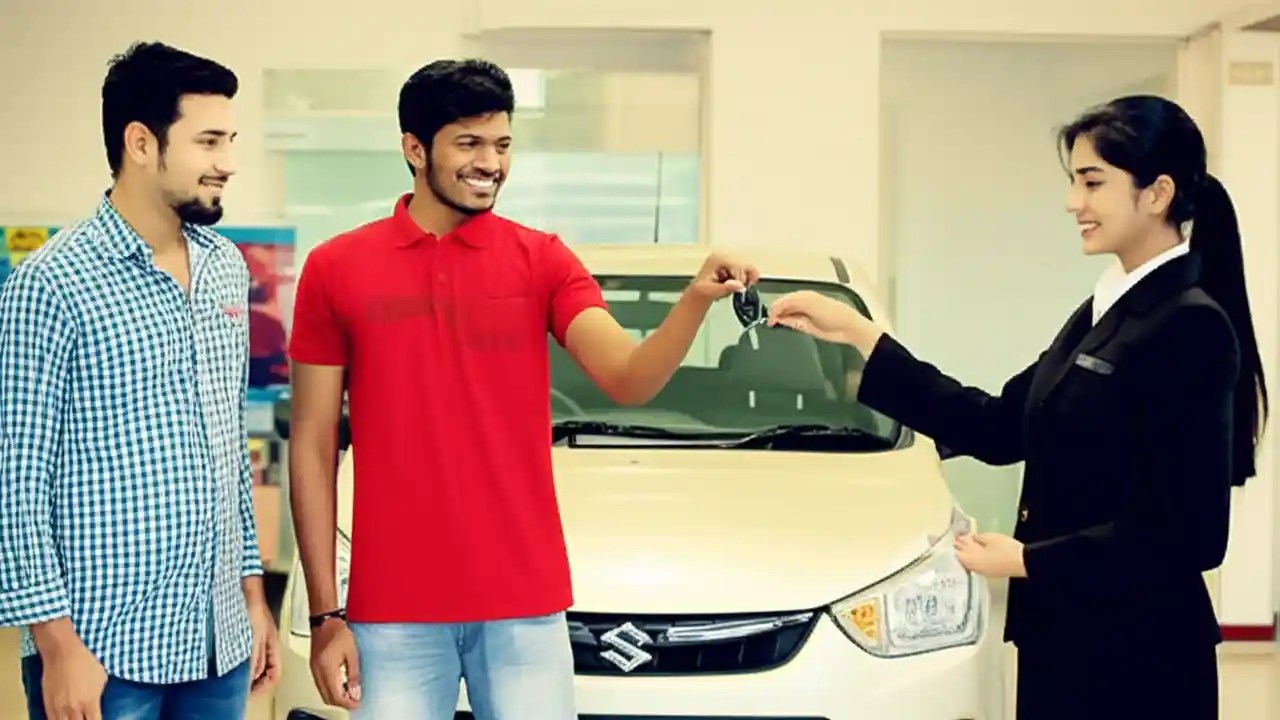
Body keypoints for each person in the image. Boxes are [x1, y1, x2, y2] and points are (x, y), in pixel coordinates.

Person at [286, 58, 758, 719]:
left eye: (503, 144)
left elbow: (628, 377)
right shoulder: (337, 268)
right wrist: (324, 611)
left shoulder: (543, 261)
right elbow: (311, 443)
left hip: (523, 606)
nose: (492, 163)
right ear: (414, 150)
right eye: (469, 143)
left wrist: (695, 300)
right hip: (390, 609)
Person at [766, 94, 1265, 720]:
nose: (1072, 203)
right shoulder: (1102, 311)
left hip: (1139, 660)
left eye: (1092, 182)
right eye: (1073, 183)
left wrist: (1029, 559)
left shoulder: (1188, 325)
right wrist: (863, 338)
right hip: (1064, 641)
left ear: (1157, 193)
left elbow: (1188, 534)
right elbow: (998, 424)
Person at [0, 41, 280, 720]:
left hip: (217, 642)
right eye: (209, 140)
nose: (228, 163)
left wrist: (251, 599)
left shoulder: (224, 268)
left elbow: (227, 449)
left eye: (231, 139)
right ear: (141, 143)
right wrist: (56, 644)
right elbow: (16, 479)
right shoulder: (51, 283)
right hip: (103, 650)